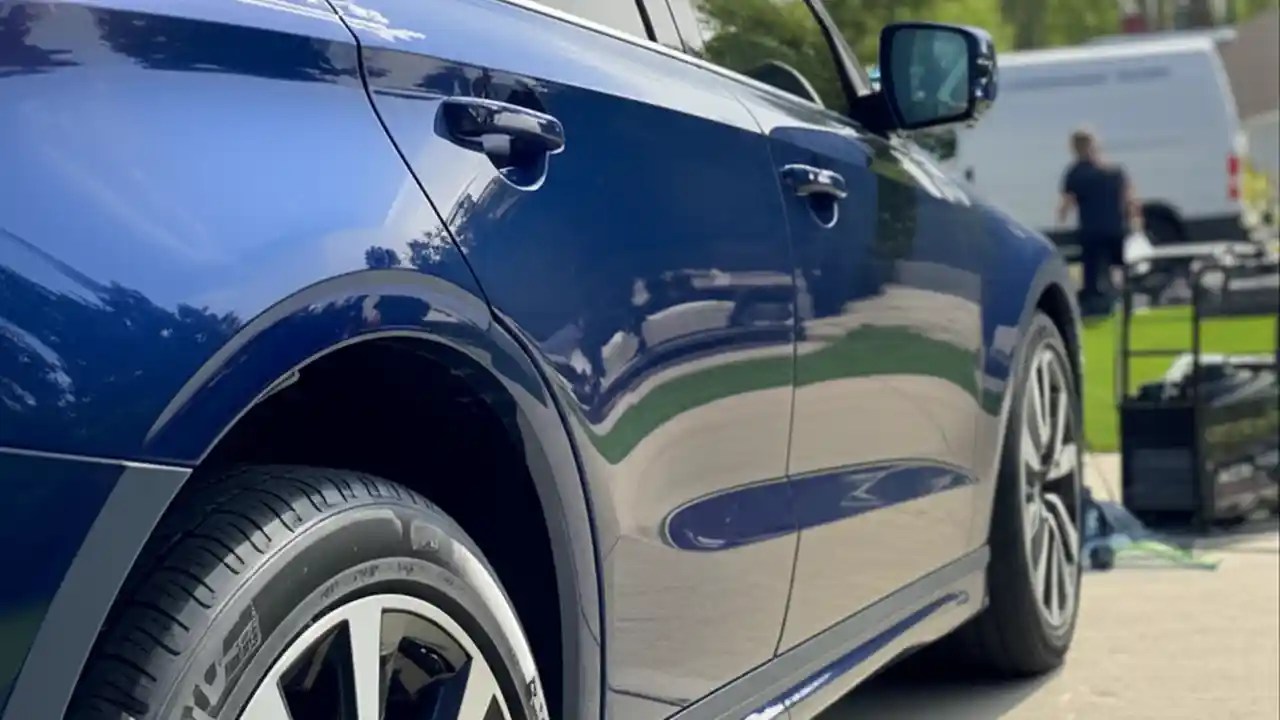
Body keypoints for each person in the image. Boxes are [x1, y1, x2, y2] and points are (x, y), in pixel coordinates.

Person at [1056, 128, 1142, 313]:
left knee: (1092, 272)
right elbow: (1131, 200)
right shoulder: (1115, 171)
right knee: (1120, 266)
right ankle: (1124, 300)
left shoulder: (1074, 173)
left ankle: (1095, 304)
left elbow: (1066, 205)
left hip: (1091, 230)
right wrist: (1136, 223)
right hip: (1116, 228)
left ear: (1074, 148)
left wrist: (1060, 220)